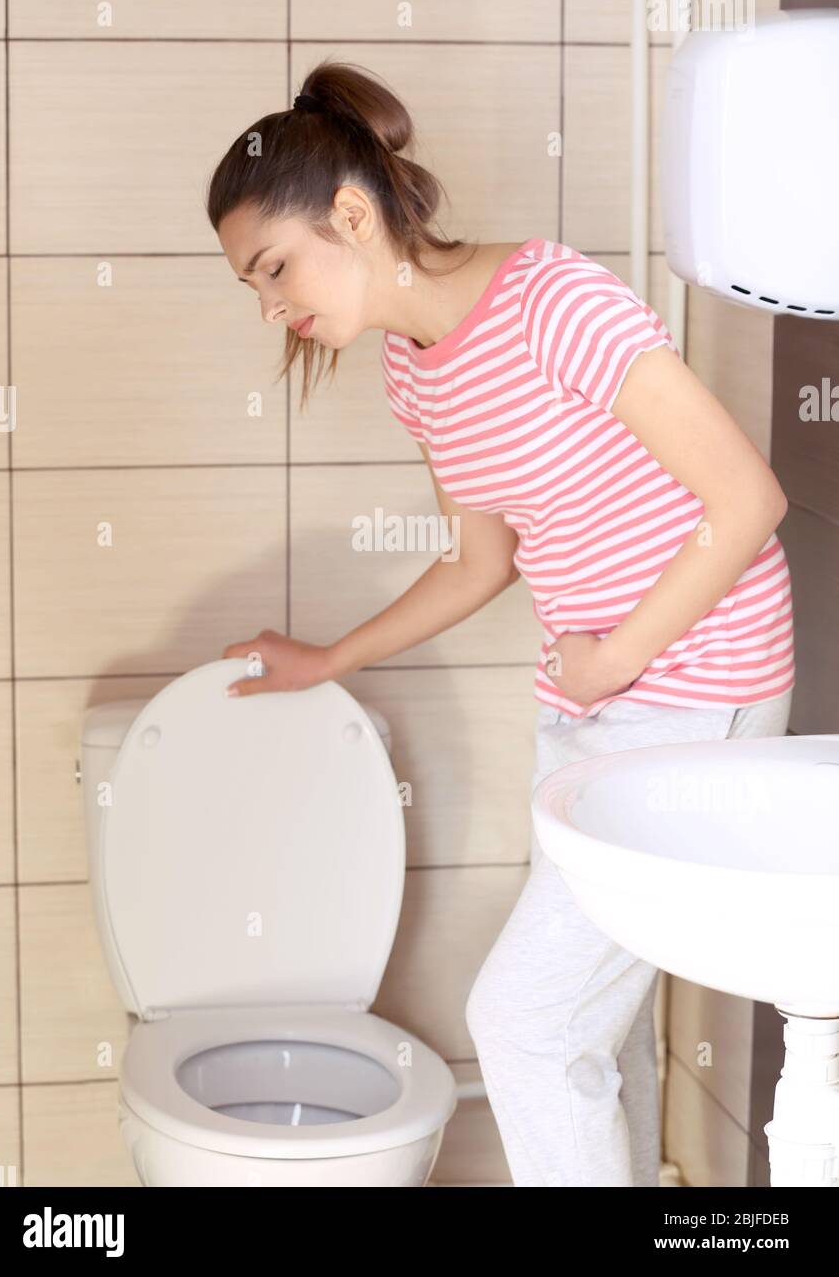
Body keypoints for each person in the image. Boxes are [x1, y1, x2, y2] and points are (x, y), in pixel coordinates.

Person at [206, 59, 796, 1186]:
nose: (273, 305)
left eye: (275, 268)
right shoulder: (415, 373)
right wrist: (327, 658)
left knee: (523, 1021)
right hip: (586, 702)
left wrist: (615, 656)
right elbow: (480, 560)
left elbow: (747, 500)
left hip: (693, 685)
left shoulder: (548, 299)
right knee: (591, 1027)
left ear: (351, 212)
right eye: (253, 287)